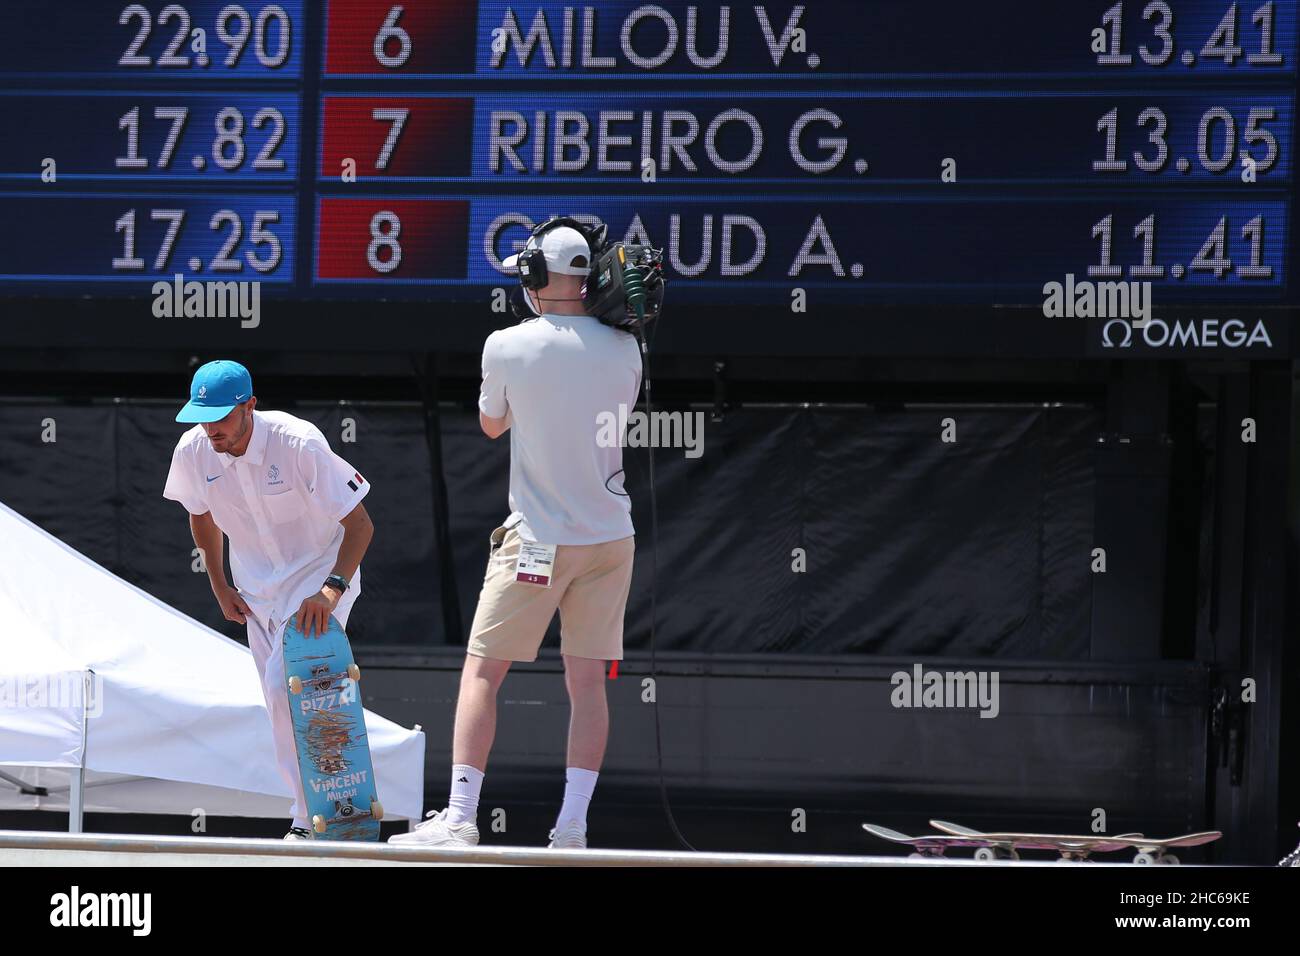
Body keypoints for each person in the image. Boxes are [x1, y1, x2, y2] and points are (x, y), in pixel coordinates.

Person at [391, 222, 640, 849]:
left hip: (538, 540)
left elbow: (491, 424)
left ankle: (460, 819)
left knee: (482, 671)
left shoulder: (505, 344)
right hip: (612, 540)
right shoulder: (630, 348)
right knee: (588, 684)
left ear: (534, 278)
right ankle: (573, 828)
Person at [162, 360, 375, 839]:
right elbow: (200, 515)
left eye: (219, 415)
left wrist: (330, 589)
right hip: (256, 592)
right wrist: (219, 583)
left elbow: (360, 525)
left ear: (250, 406)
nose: (210, 427)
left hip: (319, 579)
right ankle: (322, 806)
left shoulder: (299, 442)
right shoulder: (194, 449)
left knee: (285, 688)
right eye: (201, 415)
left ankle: (305, 821)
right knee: (278, 702)